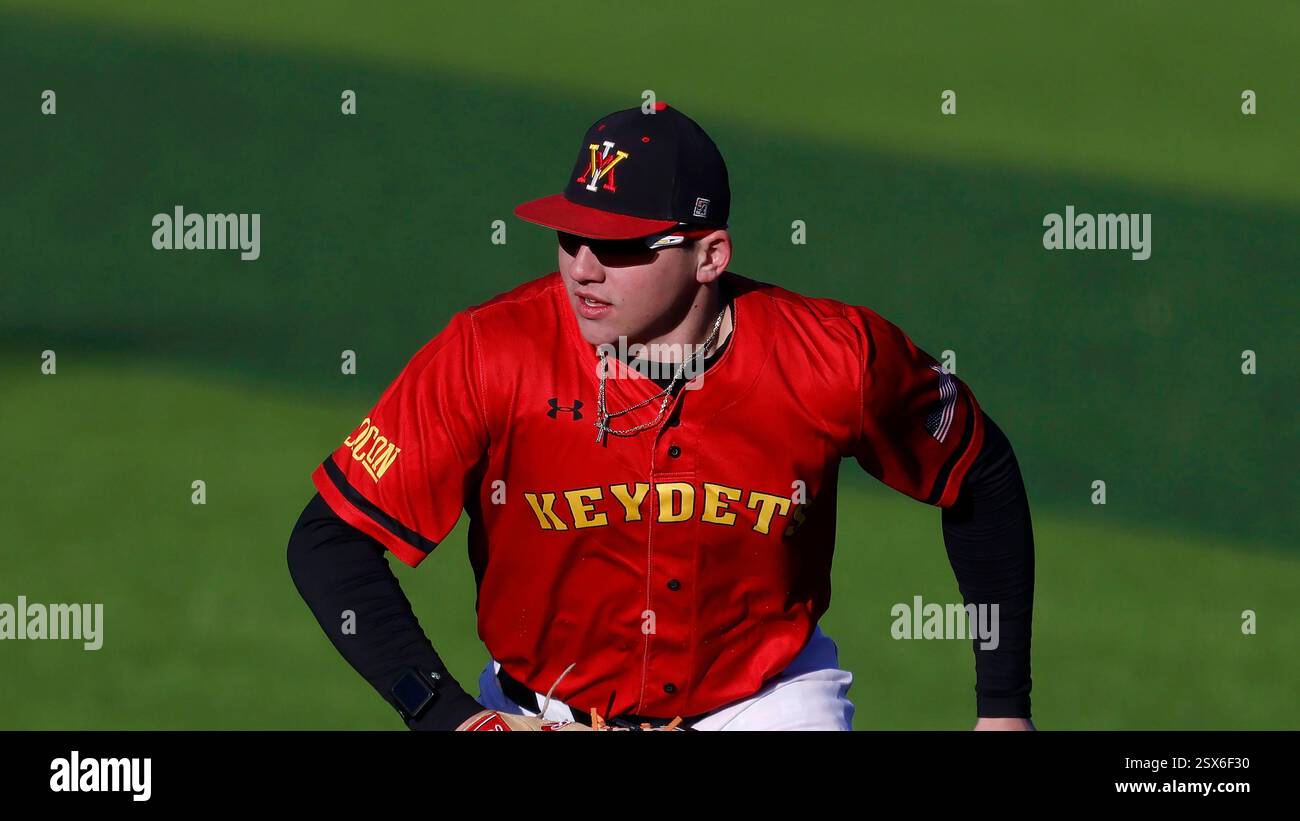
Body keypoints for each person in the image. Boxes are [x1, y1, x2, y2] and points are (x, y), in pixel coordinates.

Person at [286, 102, 1036, 731]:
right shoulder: (490, 354)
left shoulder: (835, 358)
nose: (583, 265)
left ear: (710, 255)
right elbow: (329, 541)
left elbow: (978, 470)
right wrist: (447, 716)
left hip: (764, 705)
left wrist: (1002, 707)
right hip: (543, 712)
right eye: (570, 236)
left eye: (618, 245)